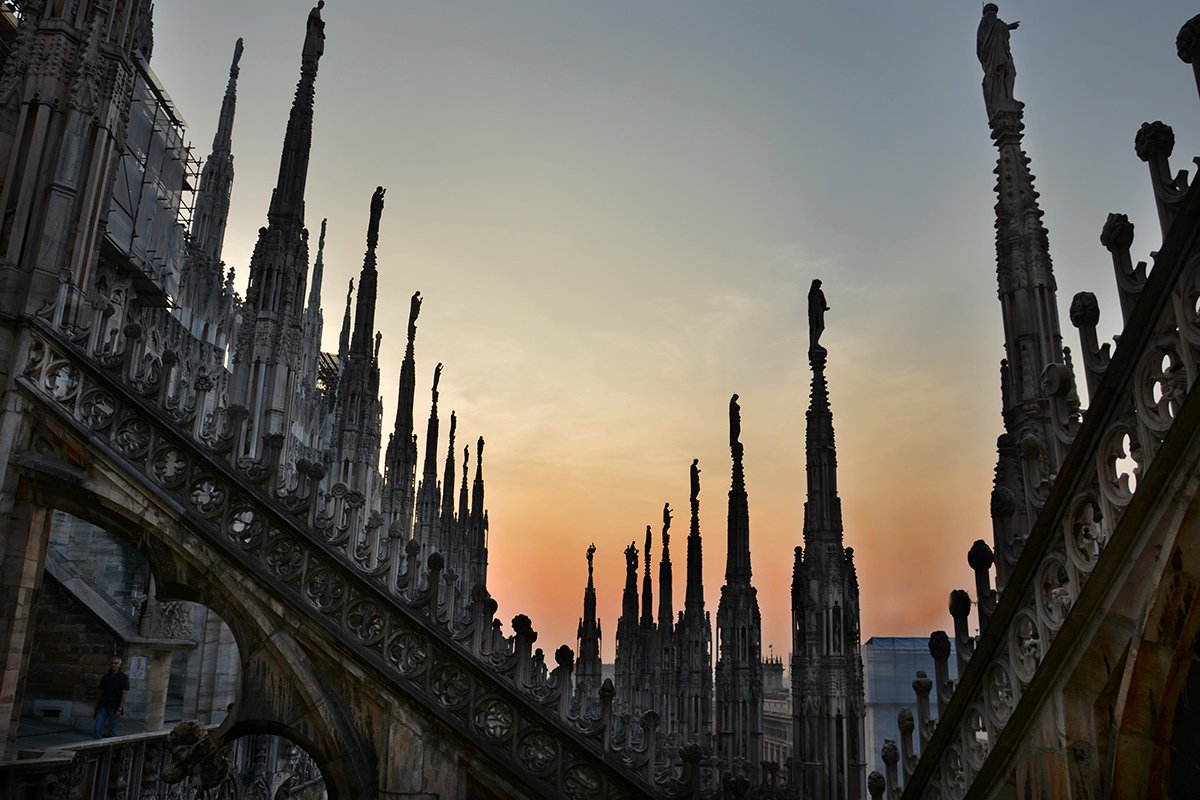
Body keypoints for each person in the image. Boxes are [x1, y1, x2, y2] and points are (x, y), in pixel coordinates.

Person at [977, 3, 1020, 117]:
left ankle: (1009, 98)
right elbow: (984, 39)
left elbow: (998, 27)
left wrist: (1008, 27)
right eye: (992, 12)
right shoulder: (987, 20)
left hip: (1002, 51)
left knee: (1010, 72)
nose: (994, 15)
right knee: (999, 74)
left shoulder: (996, 23)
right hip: (994, 55)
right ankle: (1002, 99)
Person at [93, 656, 129, 738]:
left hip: (115, 706)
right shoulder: (105, 677)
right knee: (97, 728)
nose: (113, 665)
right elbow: (100, 693)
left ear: (119, 665)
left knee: (113, 730)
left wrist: (120, 709)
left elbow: (124, 694)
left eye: (116, 663)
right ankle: (98, 745)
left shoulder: (123, 678)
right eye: (112, 663)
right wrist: (96, 709)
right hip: (103, 705)